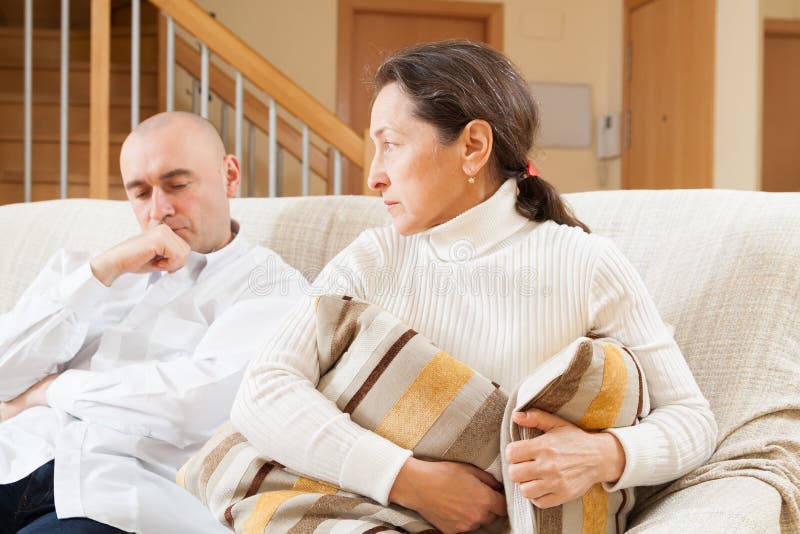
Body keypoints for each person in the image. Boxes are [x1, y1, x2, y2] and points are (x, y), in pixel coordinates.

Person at [230, 40, 718, 534]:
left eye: (391, 144)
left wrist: (604, 455)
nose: (374, 175)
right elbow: (261, 391)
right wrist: (406, 480)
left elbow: (692, 418)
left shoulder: (584, 263)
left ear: (473, 147)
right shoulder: (373, 258)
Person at [0, 111, 304, 533]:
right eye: (141, 194)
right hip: (16, 459)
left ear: (230, 176)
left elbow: (189, 407)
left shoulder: (272, 288)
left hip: (112, 496)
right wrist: (104, 270)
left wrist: (50, 390)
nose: (159, 211)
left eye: (177, 185)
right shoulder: (85, 271)